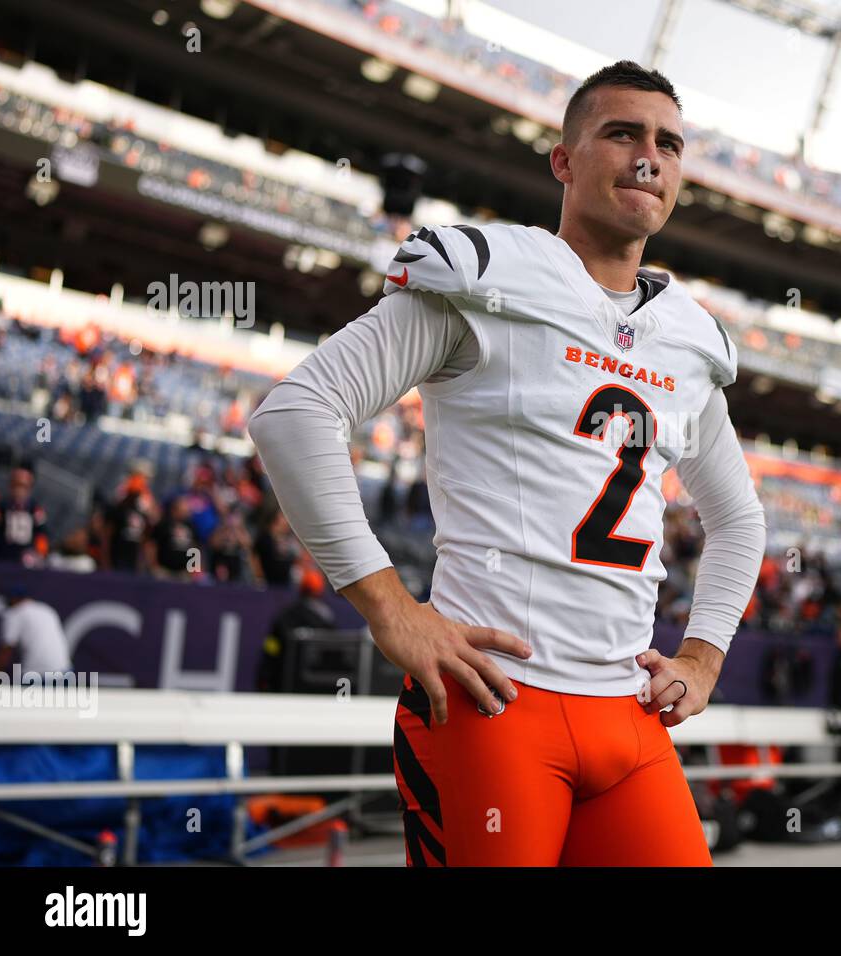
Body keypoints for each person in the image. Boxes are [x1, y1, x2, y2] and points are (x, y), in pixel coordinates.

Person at [248, 61, 766, 867]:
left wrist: (702, 655)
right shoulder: (490, 278)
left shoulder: (688, 338)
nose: (648, 156)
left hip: (631, 718)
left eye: (668, 142)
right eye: (621, 132)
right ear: (564, 160)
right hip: (497, 706)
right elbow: (295, 411)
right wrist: (390, 607)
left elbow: (737, 517)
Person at [0, 584, 72, 678]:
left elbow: (6, 650)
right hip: (64, 669)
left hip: (37, 673)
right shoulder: (46, 609)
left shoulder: (14, 614)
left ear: (12, 599)